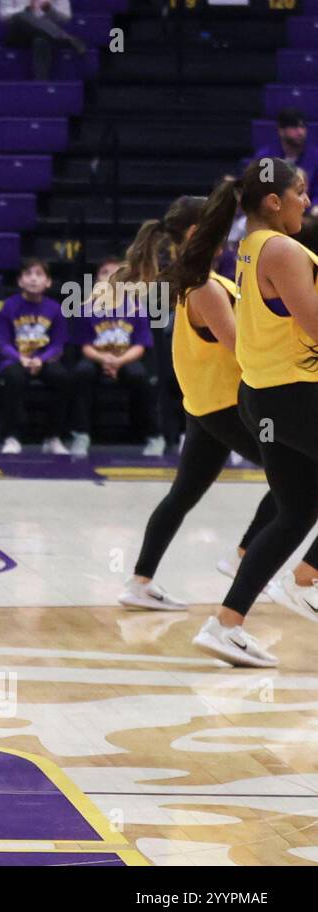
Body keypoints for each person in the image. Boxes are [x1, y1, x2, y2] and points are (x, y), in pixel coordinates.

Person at [117, 196, 318, 613]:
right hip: (224, 405)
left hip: (208, 403)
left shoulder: (204, 280)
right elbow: (240, 348)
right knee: (298, 484)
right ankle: (246, 559)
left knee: (184, 494)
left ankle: (140, 581)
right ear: (196, 232)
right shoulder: (205, 286)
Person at [165, 160, 318, 666]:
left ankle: (225, 623)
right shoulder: (281, 248)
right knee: (294, 509)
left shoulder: (251, 248)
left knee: (296, 510)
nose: (307, 202)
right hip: (296, 393)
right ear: (274, 201)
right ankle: (308, 579)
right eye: (301, 193)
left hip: (267, 394)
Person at [68, 261, 162, 458]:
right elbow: (85, 346)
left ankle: (154, 435)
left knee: (139, 376)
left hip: (126, 358)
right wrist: (104, 359)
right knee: (82, 373)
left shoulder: (136, 307)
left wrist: (119, 362)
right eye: (104, 273)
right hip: (96, 356)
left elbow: (140, 345)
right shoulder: (87, 307)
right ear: (96, 281)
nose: (111, 277)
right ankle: (81, 434)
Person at [0, 258, 71, 455]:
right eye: (28, 274)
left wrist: (40, 360)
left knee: (62, 379)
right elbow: (3, 343)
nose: (33, 279)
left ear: (48, 282)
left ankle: (53, 437)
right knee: (14, 377)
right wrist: (21, 359)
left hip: (44, 359)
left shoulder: (55, 308)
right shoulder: (9, 306)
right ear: (20, 282)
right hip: (15, 359)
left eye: (39, 274)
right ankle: (13, 436)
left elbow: (58, 344)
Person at [0, 0, 86, 81]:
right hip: (18, 34)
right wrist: (27, 9)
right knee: (20, 16)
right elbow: (3, 15)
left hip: (45, 36)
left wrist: (49, 9)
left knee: (41, 40)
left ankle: (41, 83)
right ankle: (64, 36)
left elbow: (66, 18)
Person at [248, 109, 318, 201]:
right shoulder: (266, 159)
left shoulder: (315, 157)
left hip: (308, 211)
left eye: (303, 127)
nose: (300, 132)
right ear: (281, 130)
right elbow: (263, 191)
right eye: (294, 127)